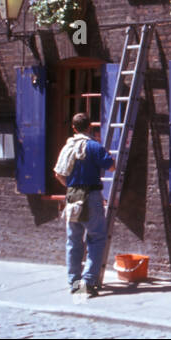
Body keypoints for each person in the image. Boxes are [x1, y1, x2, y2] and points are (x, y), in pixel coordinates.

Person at [58, 113, 114, 297]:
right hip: (91, 196)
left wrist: (72, 187)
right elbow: (111, 166)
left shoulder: (68, 147)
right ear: (89, 127)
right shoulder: (94, 146)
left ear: (74, 128)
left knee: (73, 240)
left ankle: (74, 282)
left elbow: (58, 173)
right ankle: (89, 282)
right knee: (96, 238)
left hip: (72, 196)